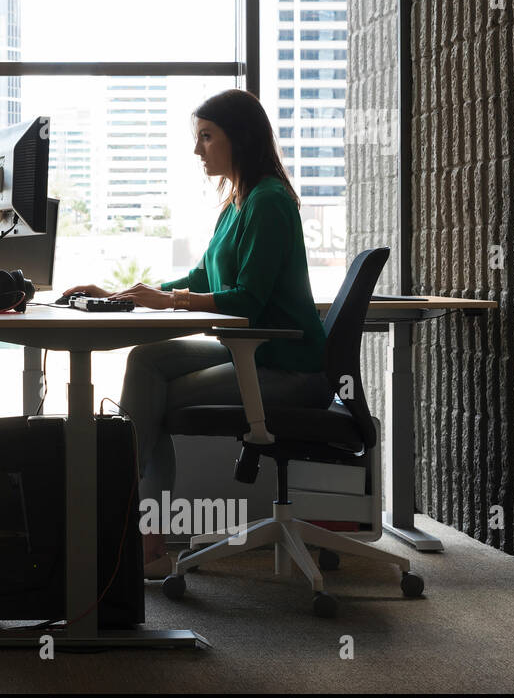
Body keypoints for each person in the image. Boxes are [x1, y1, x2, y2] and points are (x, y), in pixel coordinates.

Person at [63, 88, 332, 577]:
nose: (197, 150)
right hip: (257, 356)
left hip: (288, 367)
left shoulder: (269, 202)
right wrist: (124, 293)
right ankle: (141, 532)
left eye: (207, 137)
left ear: (241, 139)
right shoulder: (236, 204)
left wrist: (171, 301)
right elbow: (202, 281)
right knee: (146, 360)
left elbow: (247, 300)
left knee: (155, 395)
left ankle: (131, 532)